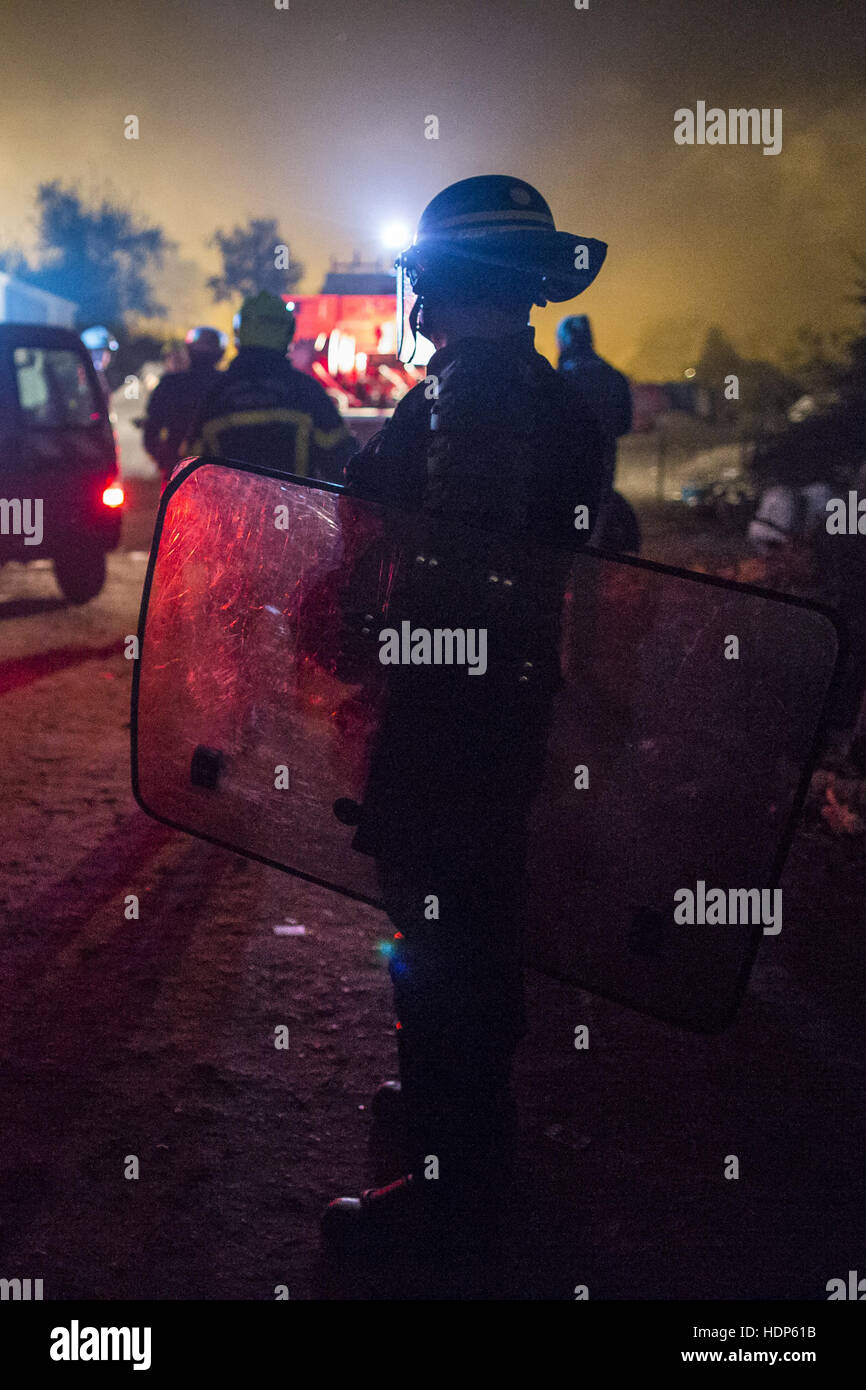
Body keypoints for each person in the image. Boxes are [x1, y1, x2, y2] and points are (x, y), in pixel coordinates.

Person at [321, 175, 608, 1262]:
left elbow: (458, 576)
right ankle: (451, 1126)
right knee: (465, 933)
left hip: (451, 724)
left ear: (435, 288)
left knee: (443, 945)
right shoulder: (537, 396)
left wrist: (378, 641)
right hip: (500, 716)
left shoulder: (470, 399)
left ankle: (452, 1199)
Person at [186, 291, 354, 483]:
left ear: (239, 331)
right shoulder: (307, 392)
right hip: (291, 512)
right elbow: (342, 463)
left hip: (229, 513)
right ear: (289, 332)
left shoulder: (216, 394)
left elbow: (190, 468)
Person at [557, 314, 633, 544]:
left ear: (565, 341)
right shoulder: (614, 376)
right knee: (593, 526)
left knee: (567, 531)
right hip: (603, 465)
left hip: (565, 468)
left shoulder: (559, 378)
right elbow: (624, 425)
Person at [143, 326, 226, 484]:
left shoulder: (170, 384)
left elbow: (151, 431)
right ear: (220, 353)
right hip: (219, 476)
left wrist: (166, 461)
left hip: (179, 472)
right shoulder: (227, 384)